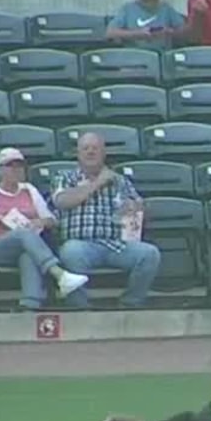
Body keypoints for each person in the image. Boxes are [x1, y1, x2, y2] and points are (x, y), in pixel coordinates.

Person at [0, 147, 90, 311]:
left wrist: (40, 222)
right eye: (10, 166)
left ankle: (31, 306)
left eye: (19, 166)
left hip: (26, 245)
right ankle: (58, 274)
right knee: (24, 235)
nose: (16, 170)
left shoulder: (29, 190)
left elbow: (52, 219)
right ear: (0, 170)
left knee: (28, 254)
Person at [50, 132, 163, 308]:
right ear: (78, 154)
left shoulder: (119, 180)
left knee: (149, 254)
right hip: (81, 244)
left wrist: (136, 207)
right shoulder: (65, 177)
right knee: (71, 252)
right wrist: (97, 183)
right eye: (85, 148)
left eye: (95, 148)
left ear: (103, 153)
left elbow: (140, 208)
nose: (90, 152)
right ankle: (79, 307)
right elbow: (61, 202)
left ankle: (130, 303)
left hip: (115, 244)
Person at [107, 0, 187, 50]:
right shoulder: (127, 9)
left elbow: (185, 31)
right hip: (134, 56)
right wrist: (137, 34)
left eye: (154, 0)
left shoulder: (166, 9)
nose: (150, 5)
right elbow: (110, 33)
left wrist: (170, 32)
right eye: (145, 1)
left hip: (161, 56)